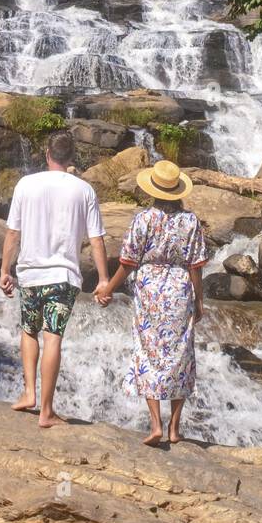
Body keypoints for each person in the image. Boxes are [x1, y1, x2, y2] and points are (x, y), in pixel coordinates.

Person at [0, 131, 108, 428]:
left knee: (28, 331)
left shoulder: (26, 184)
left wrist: (4, 270)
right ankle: (47, 411)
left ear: (48, 154)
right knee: (53, 337)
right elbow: (97, 239)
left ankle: (28, 394)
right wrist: (103, 279)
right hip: (63, 276)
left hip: (31, 273)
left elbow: (13, 233)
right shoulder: (84, 190)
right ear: (72, 157)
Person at [96, 158, 206, 446]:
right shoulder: (190, 221)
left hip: (149, 290)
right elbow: (196, 265)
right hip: (180, 289)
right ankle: (174, 428)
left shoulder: (143, 219)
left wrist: (108, 288)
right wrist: (199, 300)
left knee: (148, 353)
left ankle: (155, 425)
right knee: (181, 355)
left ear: (152, 190)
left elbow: (128, 262)